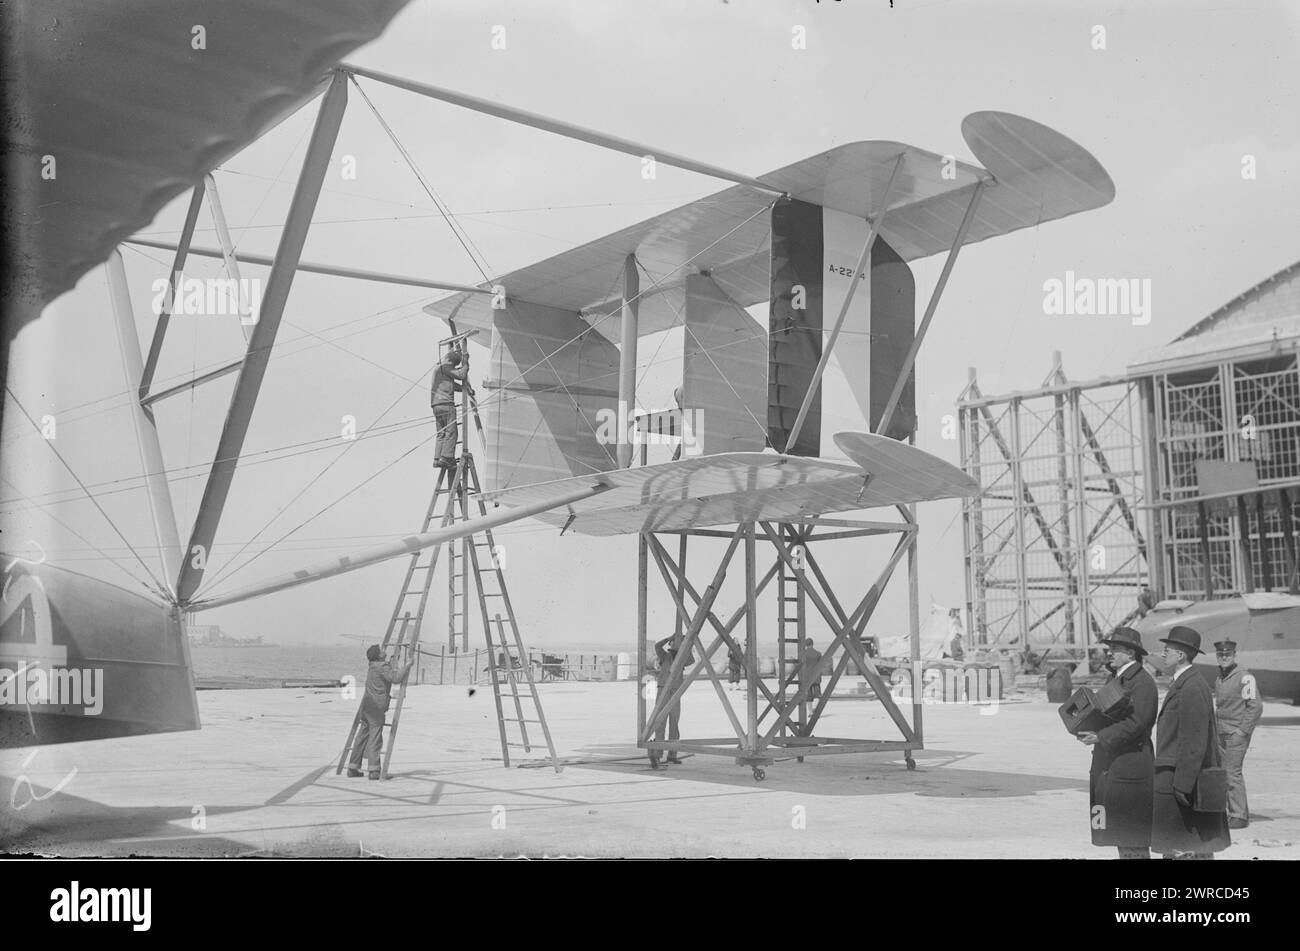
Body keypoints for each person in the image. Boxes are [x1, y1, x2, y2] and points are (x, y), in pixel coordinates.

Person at [1076, 627, 1156, 858]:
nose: (1110, 653)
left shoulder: (1142, 682)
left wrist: (1101, 737)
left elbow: (1139, 723)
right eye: (1110, 649)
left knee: (1133, 836)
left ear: (1131, 653)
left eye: (1115, 649)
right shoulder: (1116, 678)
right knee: (1120, 834)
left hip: (1130, 767)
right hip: (1113, 766)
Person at [1151, 626, 1230, 858]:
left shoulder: (1192, 685)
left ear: (1182, 655)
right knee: (1185, 848)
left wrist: (1183, 785)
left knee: (1186, 848)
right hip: (1179, 777)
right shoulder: (1184, 682)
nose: (1163, 654)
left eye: (1168, 649)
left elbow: (1194, 741)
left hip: (1183, 781)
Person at [1213, 638, 1263, 829]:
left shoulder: (1245, 677)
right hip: (1221, 733)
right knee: (1224, 773)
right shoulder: (1220, 677)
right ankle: (1231, 812)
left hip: (1235, 734)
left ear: (1234, 655)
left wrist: (1242, 731)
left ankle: (1239, 816)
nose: (1224, 657)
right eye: (1221, 655)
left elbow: (1255, 707)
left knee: (1232, 773)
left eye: (1227, 654)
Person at [347, 644, 414, 780]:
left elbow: (385, 671)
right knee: (375, 738)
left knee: (362, 736)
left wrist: (391, 662)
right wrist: (407, 666)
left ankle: (353, 767)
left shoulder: (373, 666)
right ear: (378, 656)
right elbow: (395, 679)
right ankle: (374, 770)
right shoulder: (382, 667)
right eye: (381, 650)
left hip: (366, 706)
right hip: (376, 707)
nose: (384, 650)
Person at [649, 635, 689, 767]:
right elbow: (657, 646)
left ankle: (672, 754)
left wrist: (685, 643)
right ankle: (658, 754)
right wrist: (669, 638)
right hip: (663, 690)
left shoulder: (682, 658)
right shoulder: (664, 656)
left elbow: (691, 659)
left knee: (674, 722)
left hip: (675, 691)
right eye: (673, 643)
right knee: (660, 723)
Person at [430, 349, 473, 469]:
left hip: (436, 405)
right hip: (446, 404)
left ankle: (437, 458)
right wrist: (465, 363)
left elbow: (450, 385)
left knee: (441, 433)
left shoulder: (439, 370)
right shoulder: (446, 367)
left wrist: (465, 388)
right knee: (451, 432)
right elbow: (461, 375)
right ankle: (446, 458)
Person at [801, 638, 824, 704]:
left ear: (806, 644)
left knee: (808, 696)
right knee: (817, 695)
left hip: (807, 677)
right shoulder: (818, 653)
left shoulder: (803, 653)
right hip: (816, 676)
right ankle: (816, 709)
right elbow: (821, 665)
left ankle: (810, 712)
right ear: (812, 644)